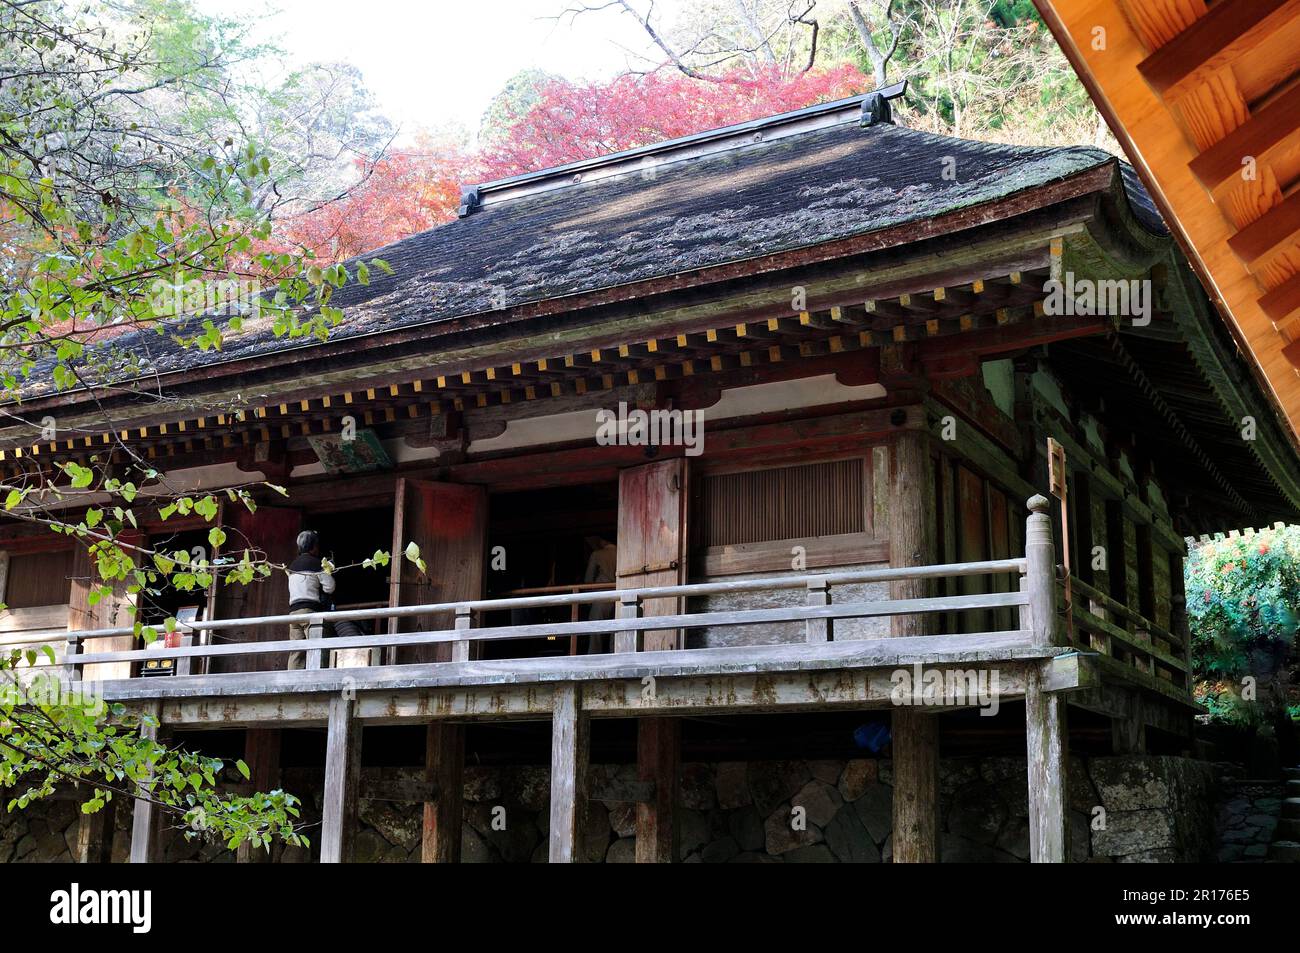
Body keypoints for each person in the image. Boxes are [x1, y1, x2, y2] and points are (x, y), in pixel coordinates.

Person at [287, 530, 335, 670]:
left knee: (297, 651)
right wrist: (328, 571)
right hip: (309, 611)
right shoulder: (316, 563)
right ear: (314, 547)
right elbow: (330, 587)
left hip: (293, 613)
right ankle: (316, 675)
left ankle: (293, 680)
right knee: (316, 647)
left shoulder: (292, 566)